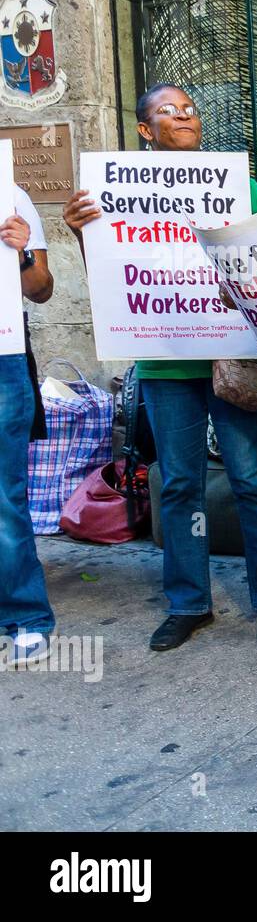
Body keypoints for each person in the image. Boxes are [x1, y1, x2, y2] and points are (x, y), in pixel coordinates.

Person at [62, 83, 257, 651]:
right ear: (146, 131)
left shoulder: (240, 187)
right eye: (169, 111)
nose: (185, 115)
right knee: (178, 486)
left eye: (191, 107)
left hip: (233, 359)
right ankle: (189, 602)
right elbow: (115, 284)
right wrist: (81, 233)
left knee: (252, 479)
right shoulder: (113, 196)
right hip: (168, 363)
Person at [1, 184, 55, 665]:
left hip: (2, 354)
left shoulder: (10, 194)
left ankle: (25, 617)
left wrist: (20, 254)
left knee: (3, 495)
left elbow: (42, 289)